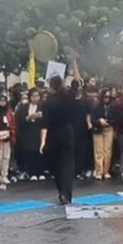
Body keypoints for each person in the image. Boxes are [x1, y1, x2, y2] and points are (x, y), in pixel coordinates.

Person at [41, 75, 76, 204]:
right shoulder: (68, 97)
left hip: (53, 134)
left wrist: (43, 141)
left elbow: (44, 123)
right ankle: (67, 193)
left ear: (51, 85)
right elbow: (77, 84)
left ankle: (61, 191)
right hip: (67, 131)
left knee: (57, 166)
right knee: (67, 164)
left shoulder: (47, 101)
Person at [14, 89, 45, 180]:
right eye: (33, 96)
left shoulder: (43, 106)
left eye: (37, 96)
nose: (35, 98)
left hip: (39, 131)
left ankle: (41, 171)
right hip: (28, 132)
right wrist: (29, 117)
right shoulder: (24, 107)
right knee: (31, 152)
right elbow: (19, 120)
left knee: (41, 151)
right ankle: (32, 173)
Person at [89, 87, 115, 180]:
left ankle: (106, 171)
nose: (107, 99)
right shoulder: (95, 106)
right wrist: (99, 121)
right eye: (105, 97)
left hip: (109, 128)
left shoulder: (112, 106)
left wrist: (108, 121)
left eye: (108, 97)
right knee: (98, 151)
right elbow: (92, 118)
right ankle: (99, 171)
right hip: (98, 129)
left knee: (107, 150)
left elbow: (116, 118)